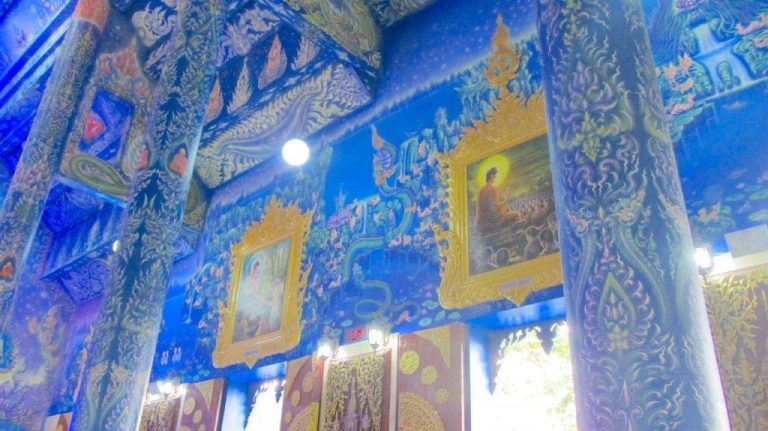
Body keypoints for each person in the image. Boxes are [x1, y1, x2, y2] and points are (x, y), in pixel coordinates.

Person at [476, 167, 520, 235]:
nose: (495, 178)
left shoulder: (480, 190)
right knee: (516, 213)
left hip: (481, 222)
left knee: (505, 206)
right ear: (491, 176)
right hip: (493, 221)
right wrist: (507, 197)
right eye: (495, 176)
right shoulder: (493, 189)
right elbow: (496, 206)